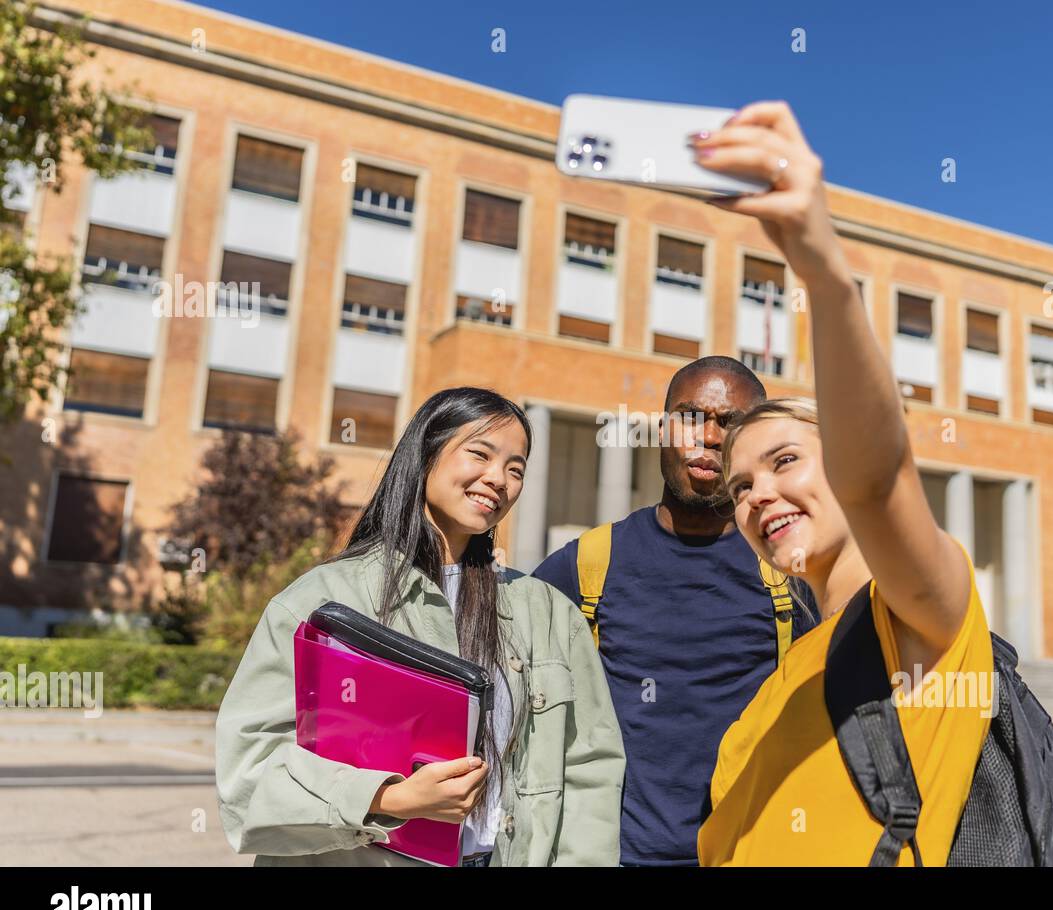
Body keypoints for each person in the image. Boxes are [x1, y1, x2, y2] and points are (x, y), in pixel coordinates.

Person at [691, 101, 993, 866]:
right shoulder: (773, 688)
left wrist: (822, 272)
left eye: (786, 461)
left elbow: (877, 478)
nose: (757, 496)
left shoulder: (924, 615)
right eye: (741, 488)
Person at [215, 386, 625, 866]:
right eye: (480, 453)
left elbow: (589, 772)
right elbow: (248, 769)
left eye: (516, 469)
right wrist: (391, 800)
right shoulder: (321, 600)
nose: (499, 479)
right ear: (425, 454)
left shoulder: (550, 614)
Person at [532, 356, 818, 866]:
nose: (707, 437)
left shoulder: (790, 575)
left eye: (729, 424)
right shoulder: (589, 563)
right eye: (689, 416)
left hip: (746, 854)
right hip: (611, 856)